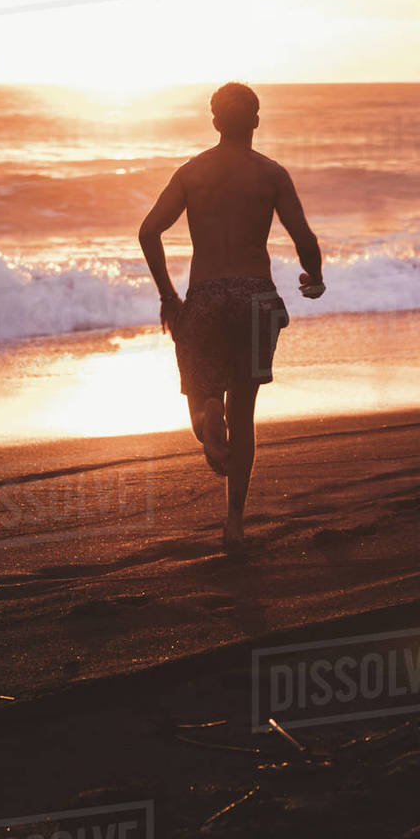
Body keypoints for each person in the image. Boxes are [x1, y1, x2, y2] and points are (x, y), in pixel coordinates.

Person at [138, 82, 325, 556]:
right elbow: (302, 235)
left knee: (204, 398)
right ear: (256, 122)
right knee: (246, 416)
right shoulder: (272, 174)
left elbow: (148, 231)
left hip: (205, 296)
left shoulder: (191, 173)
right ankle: (235, 524)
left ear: (215, 121)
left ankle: (205, 414)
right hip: (256, 299)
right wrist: (314, 276)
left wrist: (168, 296)